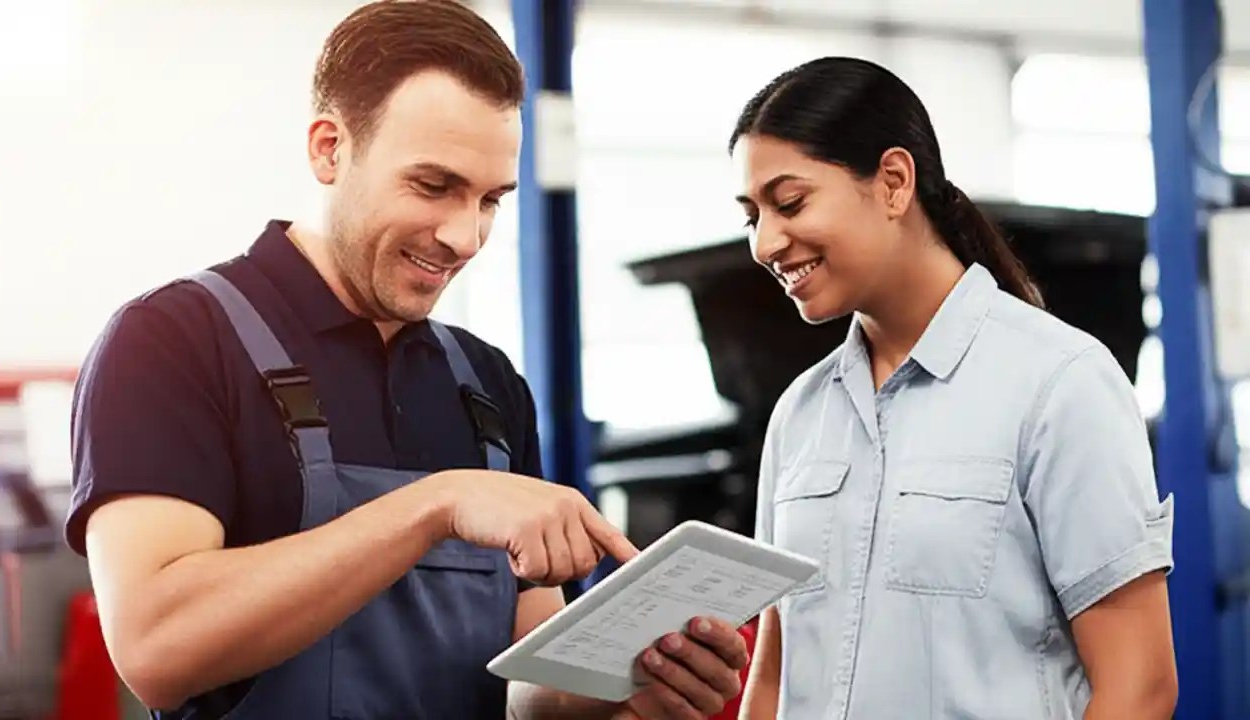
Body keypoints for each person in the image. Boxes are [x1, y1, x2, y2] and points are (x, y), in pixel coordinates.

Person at [66, 2, 747, 718]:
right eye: (433, 186)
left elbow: (525, 691)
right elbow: (156, 648)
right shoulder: (173, 341)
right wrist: (435, 506)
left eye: (490, 200)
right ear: (330, 148)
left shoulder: (485, 384)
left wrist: (628, 685)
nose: (465, 236)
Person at [729, 57, 1178, 719]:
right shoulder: (801, 413)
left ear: (893, 181)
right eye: (751, 216)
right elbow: (773, 675)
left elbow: (1139, 688)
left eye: (789, 203)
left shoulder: (1059, 385)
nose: (766, 243)